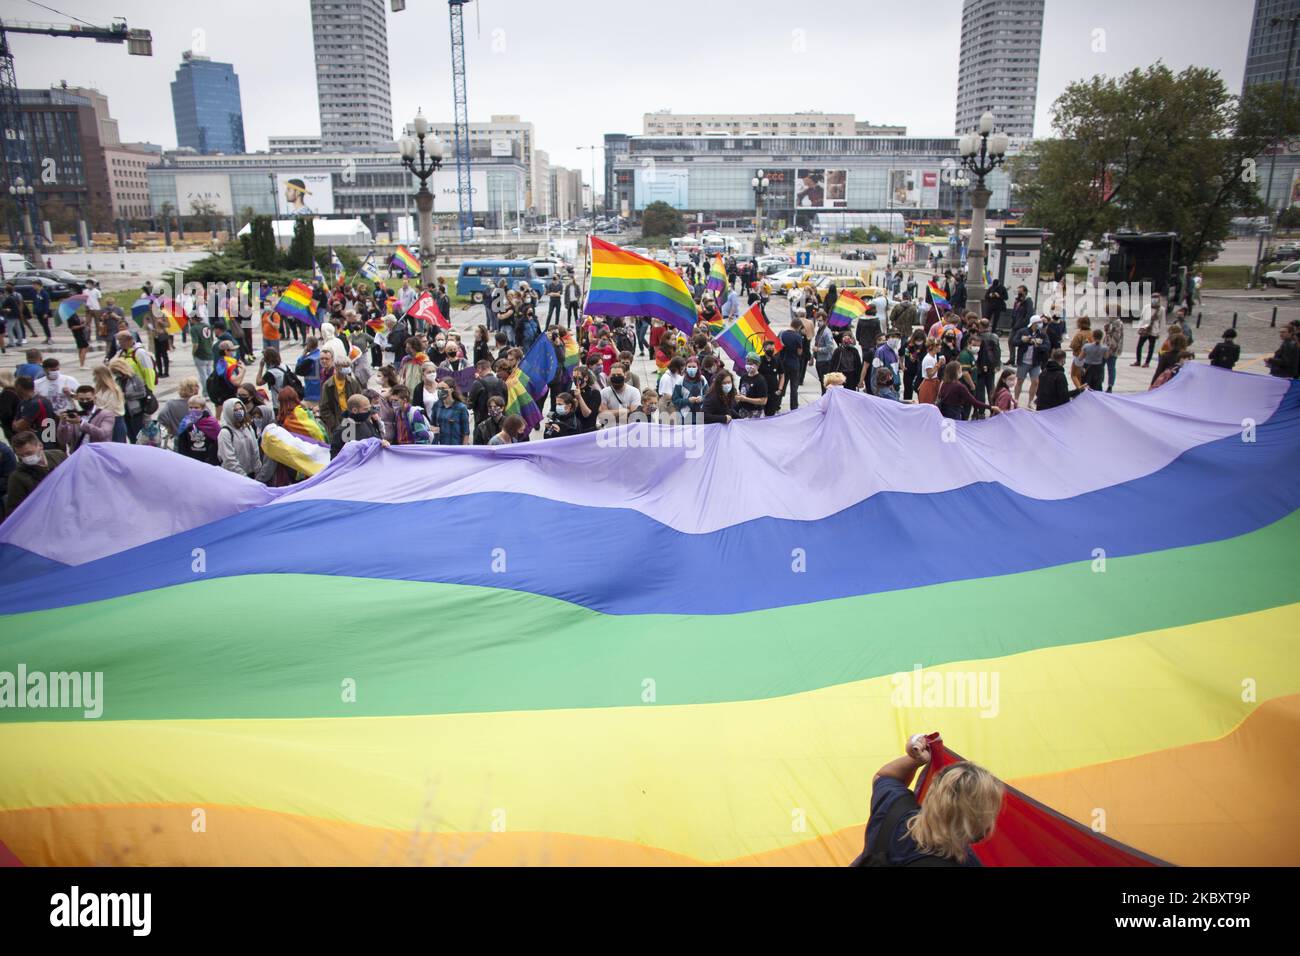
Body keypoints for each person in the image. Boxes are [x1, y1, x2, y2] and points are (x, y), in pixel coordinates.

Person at [850, 734, 1002, 867]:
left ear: (932, 796)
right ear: (977, 823)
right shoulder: (966, 863)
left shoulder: (895, 809)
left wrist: (915, 760)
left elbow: (885, 777)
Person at [4, 431, 66, 517]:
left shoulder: (59, 455)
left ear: (40, 446)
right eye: (21, 456)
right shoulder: (17, 477)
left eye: (29, 453)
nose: (26, 458)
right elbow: (14, 510)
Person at [57, 384, 119, 450]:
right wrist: (63, 424)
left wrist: (81, 423)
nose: (85, 402)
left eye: (88, 399)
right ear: (77, 398)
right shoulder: (75, 415)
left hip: (99, 453)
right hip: (79, 453)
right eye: (81, 399)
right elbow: (63, 440)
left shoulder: (106, 414)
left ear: (94, 398)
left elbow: (103, 434)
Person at [1011, 316, 1050, 409]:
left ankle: (1030, 401)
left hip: (1035, 362)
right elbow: (1013, 342)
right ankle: (1016, 400)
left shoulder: (1042, 334)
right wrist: (1023, 340)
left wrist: (1038, 345)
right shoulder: (1022, 331)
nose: (1040, 324)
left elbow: (1047, 346)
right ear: (1033, 323)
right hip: (1023, 361)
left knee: (1036, 381)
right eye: (1038, 322)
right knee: (1020, 380)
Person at [319, 360, 365, 435]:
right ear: (336, 368)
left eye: (348, 367)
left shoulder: (353, 383)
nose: (347, 369)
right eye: (344, 367)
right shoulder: (328, 385)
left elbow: (360, 400)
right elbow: (324, 407)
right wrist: (333, 423)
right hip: (336, 422)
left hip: (352, 420)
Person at [429, 379, 471, 446]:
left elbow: (466, 432)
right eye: (438, 389)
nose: (440, 391)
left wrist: (464, 449)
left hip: (455, 447)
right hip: (438, 446)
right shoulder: (437, 405)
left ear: (451, 390)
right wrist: (433, 429)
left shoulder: (461, 408)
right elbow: (432, 425)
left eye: (443, 388)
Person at [1132, 294, 1163, 368]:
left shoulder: (1161, 309)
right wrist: (1139, 327)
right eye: (1153, 298)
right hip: (1145, 329)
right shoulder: (1146, 307)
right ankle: (1138, 361)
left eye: (1156, 298)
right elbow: (1142, 317)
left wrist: (1159, 332)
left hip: (1154, 330)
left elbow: (1162, 322)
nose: (1154, 300)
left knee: (1151, 347)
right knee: (1139, 346)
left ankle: (1147, 362)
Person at [1102, 310, 1124, 392]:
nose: (1108, 316)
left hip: (1111, 350)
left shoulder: (1117, 323)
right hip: (1106, 348)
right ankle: (1102, 383)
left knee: (1110, 368)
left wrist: (1110, 350)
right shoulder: (1111, 322)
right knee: (1104, 367)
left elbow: (1116, 339)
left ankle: (1110, 386)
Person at [30, 279, 52, 344]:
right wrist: (34, 312)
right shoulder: (34, 293)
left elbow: (46, 303)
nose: (33, 286)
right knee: (43, 325)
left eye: (35, 285)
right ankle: (47, 338)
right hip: (38, 312)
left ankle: (49, 338)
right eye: (33, 285)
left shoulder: (44, 293)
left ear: (39, 285)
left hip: (43, 312)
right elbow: (34, 302)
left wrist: (45, 312)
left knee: (45, 325)